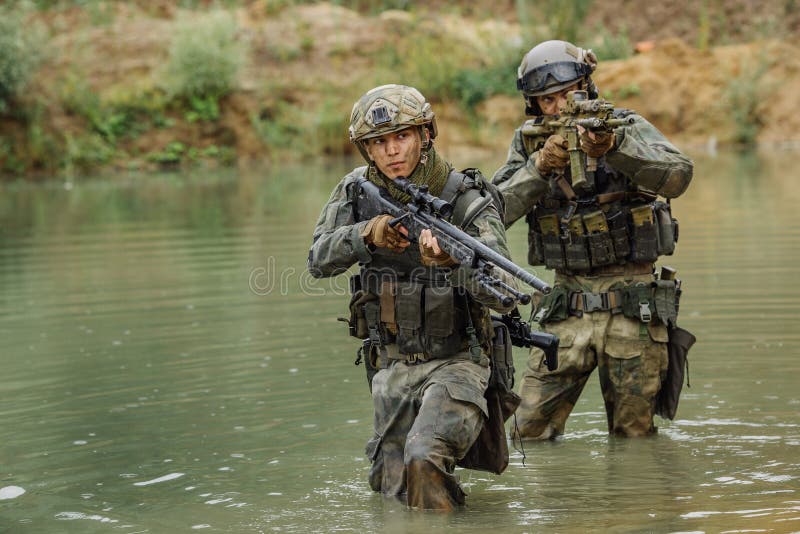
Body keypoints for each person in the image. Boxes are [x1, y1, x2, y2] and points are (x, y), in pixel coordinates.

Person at [307, 84, 515, 511]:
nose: (391, 151)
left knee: (424, 460)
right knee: (393, 494)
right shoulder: (356, 191)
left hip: (459, 361)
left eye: (401, 136)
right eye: (378, 142)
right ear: (366, 150)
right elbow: (318, 260)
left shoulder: (467, 200)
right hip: (392, 368)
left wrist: (452, 266)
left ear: (425, 134)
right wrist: (366, 234)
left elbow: (504, 294)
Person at [492, 40, 694, 439]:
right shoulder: (529, 141)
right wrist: (541, 166)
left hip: (634, 308)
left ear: (588, 85)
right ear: (534, 104)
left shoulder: (624, 126)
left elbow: (678, 176)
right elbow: (493, 212)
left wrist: (616, 149)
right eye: (547, 99)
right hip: (566, 305)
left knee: (635, 438)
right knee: (523, 432)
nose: (560, 105)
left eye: (568, 93)